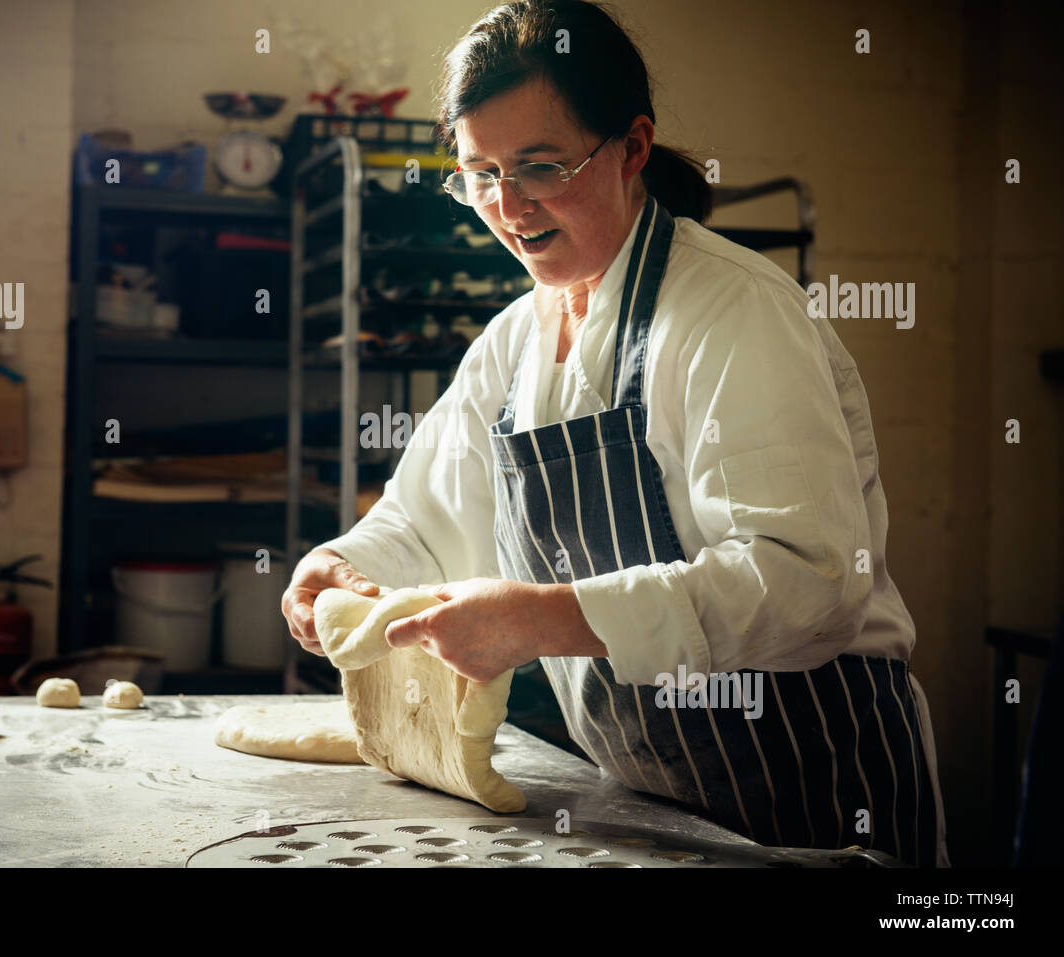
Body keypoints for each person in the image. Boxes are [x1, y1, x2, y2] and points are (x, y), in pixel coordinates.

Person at [281, 0, 948, 866]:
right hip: (645, 811)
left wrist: (545, 619)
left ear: (633, 147)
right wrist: (346, 565)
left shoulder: (732, 313)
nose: (507, 205)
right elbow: (425, 519)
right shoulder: (514, 344)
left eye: (541, 166)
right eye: (478, 172)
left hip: (815, 798)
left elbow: (808, 581)